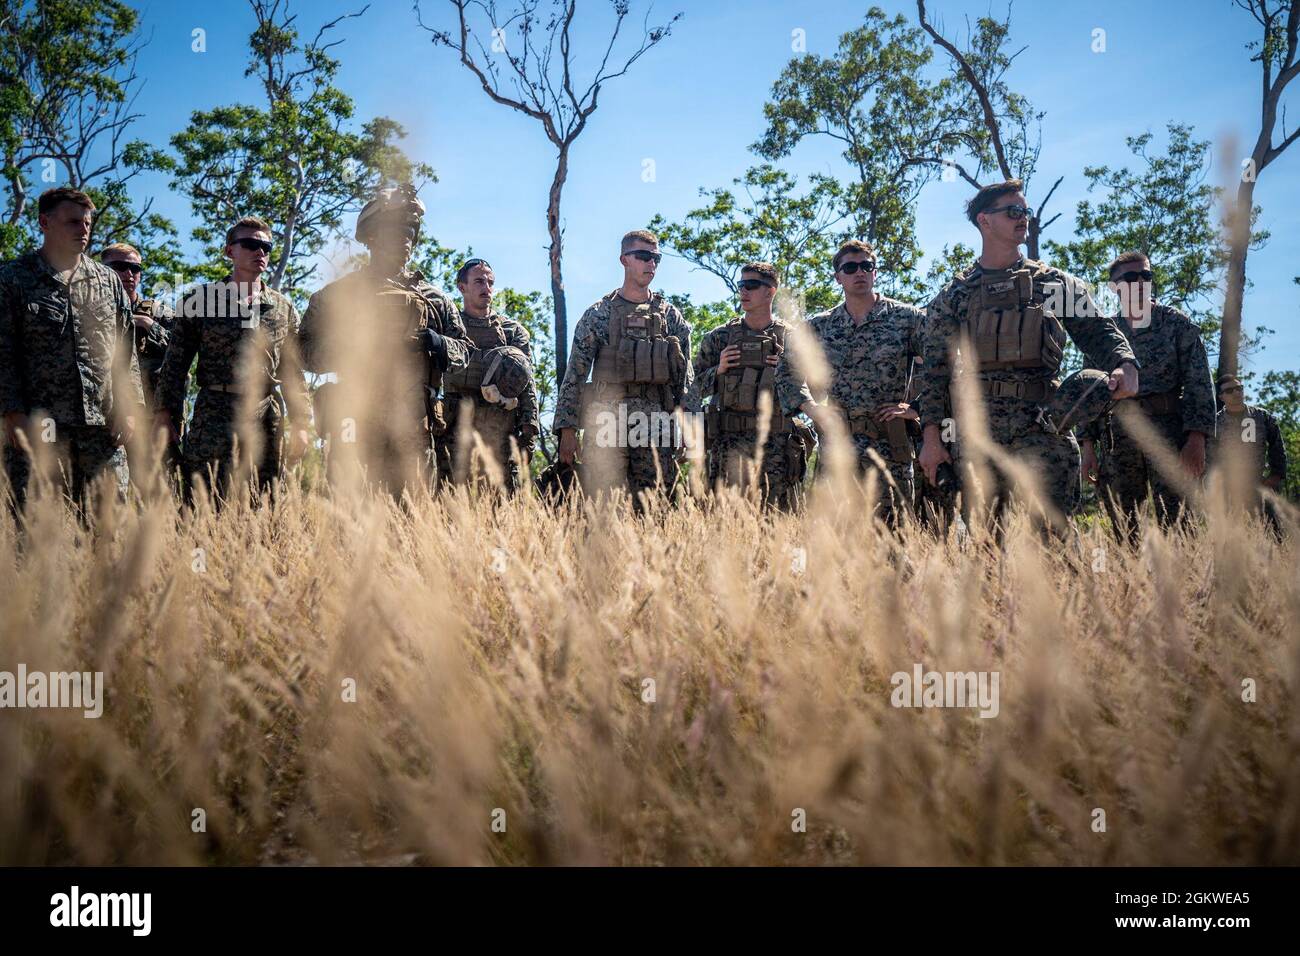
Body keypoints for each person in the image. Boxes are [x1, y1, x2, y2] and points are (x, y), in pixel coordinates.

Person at [918, 179, 1140, 531]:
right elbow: (934, 372)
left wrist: (1125, 364)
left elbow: (1098, 331)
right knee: (985, 543)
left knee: (1052, 543)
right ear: (984, 221)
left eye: (1024, 211)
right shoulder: (955, 295)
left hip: (1044, 426)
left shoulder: (1053, 284)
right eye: (1012, 211)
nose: (1023, 218)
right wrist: (931, 439)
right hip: (978, 434)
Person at [298, 185, 470, 494]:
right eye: (396, 230)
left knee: (411, 521)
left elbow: (465, 354)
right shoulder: (338, 296)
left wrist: (436, 342)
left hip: (414, 428)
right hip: (355, 425)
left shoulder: (434, 298)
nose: (405, 239)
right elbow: (302, 353)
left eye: (409, 231)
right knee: (351, 520)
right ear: (374, 237)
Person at [0, 187, 143, 513]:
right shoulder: (13, 278)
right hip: (38, 427)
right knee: (35, 533)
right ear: (45, 222)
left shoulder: (108, 281)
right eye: (73, 222)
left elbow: (126, 352)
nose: (83, 230)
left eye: (87, 224)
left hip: (103, 429)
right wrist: (12, 412)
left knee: (108, 530)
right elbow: (3, 349)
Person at [154, 215, 311, 502]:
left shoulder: (283, 307)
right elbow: (175, 365)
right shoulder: (199, 301)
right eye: (251, 244)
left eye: (266, 247)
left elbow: (292, 371)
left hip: (266, 415)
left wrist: (301, 424)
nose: (260, 252)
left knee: (266, 504)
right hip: (213, 413)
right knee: (203, 503)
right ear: (230, 251)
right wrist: (166, 415)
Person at [776, 240, 924, 524]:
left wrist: (915, 408)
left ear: (875, 272)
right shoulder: (820, 326)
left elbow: (946, 365)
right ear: (838, 276)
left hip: (889, 448)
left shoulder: (907, 319)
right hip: (837, 448)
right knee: (835, 543)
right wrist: (812, 409)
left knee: (892, 542)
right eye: (851, 267)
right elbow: (787, 372)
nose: (860, 272)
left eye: (867, 266)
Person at [1080, 251, 1215, 544]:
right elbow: (1089, 391)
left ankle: (1187, 588)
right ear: (1114, 287)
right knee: (1123, 529)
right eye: (1130, 277)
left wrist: (1197, 440)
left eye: (1146, 276)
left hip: (1169, 434)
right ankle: (1126, 588)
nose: (1140, 281)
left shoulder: (1177, 324)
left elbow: (1199, 384)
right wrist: (1088, 447)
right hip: (1117, 438)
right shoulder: (1103, 334)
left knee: (1180, 526)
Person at [553, 229, 692, 505]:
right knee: (602, 509)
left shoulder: (669, 316)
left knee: (656, 510)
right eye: (643, 256)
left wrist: (692, 428)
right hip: (606, 421)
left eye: (656, 258)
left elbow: (686, 378)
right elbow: (575, 375)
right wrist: (567, 430)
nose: (650, 264)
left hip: (656, 424)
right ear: (624, 260)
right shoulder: (599, 314)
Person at [691, 261, 811, 509]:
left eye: (752, 285)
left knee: (775, 525)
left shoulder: (792, 339)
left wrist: (786, 371)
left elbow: (815, 392)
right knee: (725, 527)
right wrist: (719, 369)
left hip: (776, 448)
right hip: (728, 447)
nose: (744, 291)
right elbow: (691, 388)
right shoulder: (720, 337)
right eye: (741, 285)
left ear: (770, 291)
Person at [438, 258, 539, 492]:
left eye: (490, 282)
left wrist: (529, 429)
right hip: (455, 431)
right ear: (462, 287)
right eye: (479, 281)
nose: (487, 288)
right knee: (452, 506)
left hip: (500, 433)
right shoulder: (448, 329)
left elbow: (528, 385)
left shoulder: (512, 331)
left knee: (500, 508)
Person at [1212, 375, 1288, 538]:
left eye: (1239, 388)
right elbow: (1210, 457)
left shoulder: (1262, 416)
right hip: (1229, 489)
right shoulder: (1216, 423)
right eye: (1230, 390)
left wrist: (1276, 475)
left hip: (1260, 485)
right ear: (1221, 397)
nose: (1236, 393)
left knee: (1273, 536)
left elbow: (1277, 446)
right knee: (1232, 539)